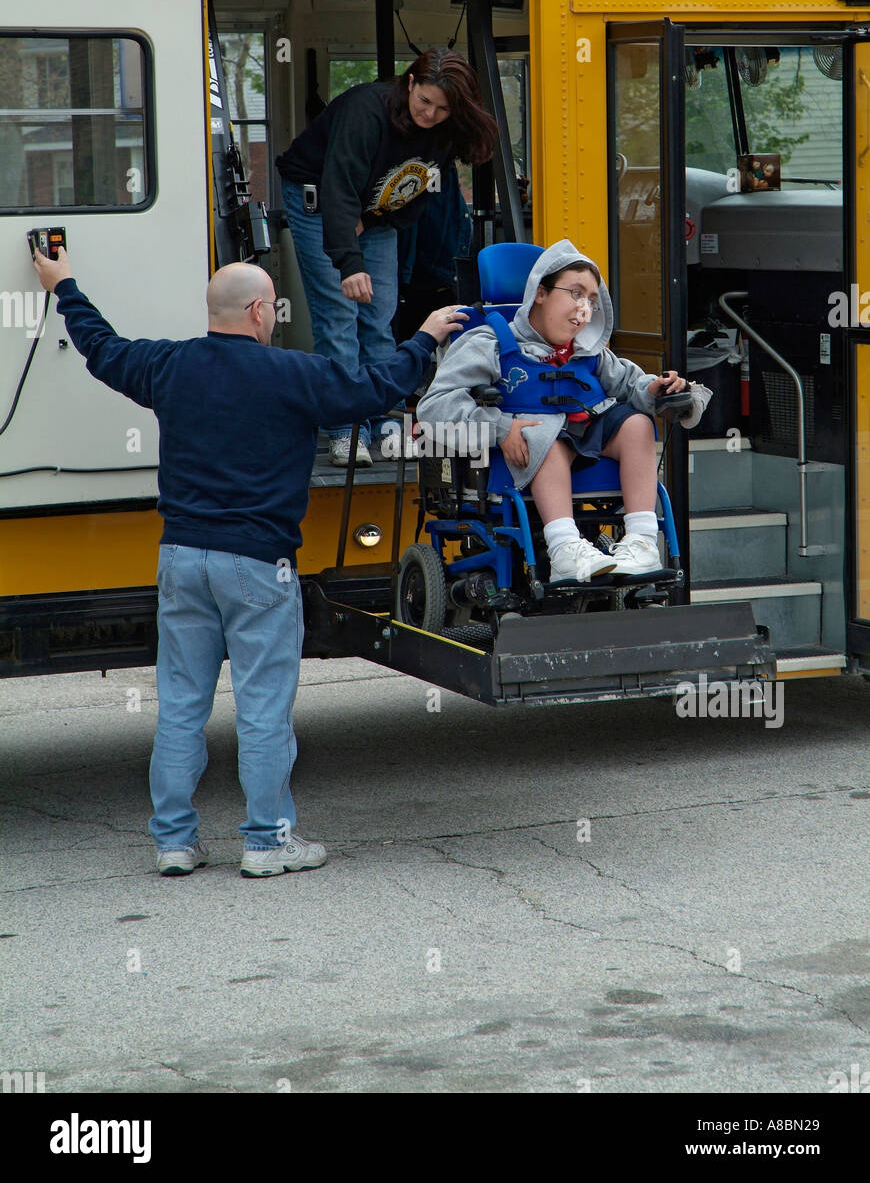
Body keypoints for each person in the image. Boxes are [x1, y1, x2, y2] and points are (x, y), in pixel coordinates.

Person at [32, 244, 465, 877]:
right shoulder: (292, 373)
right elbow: (378, 388)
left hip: (181, 559)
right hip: (258, 565)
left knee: (181, 705)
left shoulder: (168, 365)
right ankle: (266, 842)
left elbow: (100, 346)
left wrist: (63, 283)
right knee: (263, 709)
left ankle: (175, 842)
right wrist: (425, 339)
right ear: (260, 311)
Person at [417, 239, 711, 581]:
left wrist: (658, 389)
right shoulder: (489, 343)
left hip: (585, 437)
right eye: (575, 293)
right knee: (549, 438)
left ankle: (642, 544)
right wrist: (500, 427)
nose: (584, 308)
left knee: (638, 425)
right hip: (526, 450)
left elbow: (631, 384)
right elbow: (434, 406)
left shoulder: (589, 351)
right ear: (540, 292)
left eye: (590, 299)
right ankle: (564, 550)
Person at [276, 46, 496, 466]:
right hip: (318, 200)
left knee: (378, 319)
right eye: (424, 101)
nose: (429, 114)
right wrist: (349, 262)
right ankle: (344, 430)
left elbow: (417, 189)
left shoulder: (443, 133)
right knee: (338, 318)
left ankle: (383, 426)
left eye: (442, 108)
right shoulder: (365, 110)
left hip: (374, 211)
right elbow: (337, 186)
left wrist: (374, 217)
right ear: (410, 83)